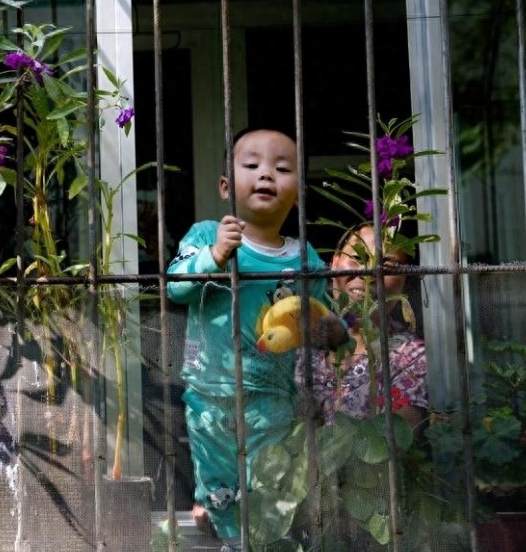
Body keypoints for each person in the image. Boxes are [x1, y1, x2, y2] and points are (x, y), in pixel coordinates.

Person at [167, 128, 341, 543]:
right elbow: (175, 286)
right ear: (226, 186)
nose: (266, 174)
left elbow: (319, 320)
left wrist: (333, 331)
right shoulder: (206, 235)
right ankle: (228, 532)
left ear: (297, 192)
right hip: (210, 395)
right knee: (220, 487)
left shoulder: (305, 259)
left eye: (281, 169)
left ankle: (257, 542)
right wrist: (213, 257)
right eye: (252, 166)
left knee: (268, 486)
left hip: (270, 398)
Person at [296, 223, 428, 434]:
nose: (367, 274)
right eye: (357, 258)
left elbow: (394, 442)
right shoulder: (301, 342)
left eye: (386, 263)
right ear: (334, 264)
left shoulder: (410, 356)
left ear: (405, 280)